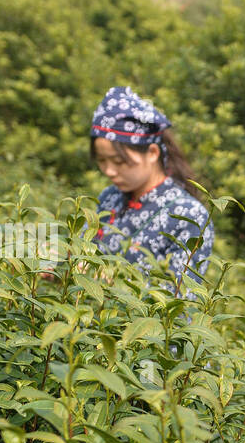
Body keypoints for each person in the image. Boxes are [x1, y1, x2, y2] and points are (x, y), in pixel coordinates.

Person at [67, 85, 213, 302]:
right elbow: (79, 250)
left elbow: (180, 302)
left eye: (119, 161)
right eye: (102, 161)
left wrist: (107, 279)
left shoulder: (190, 216)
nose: (109, 171)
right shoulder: (110, 198)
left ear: (152, 153)